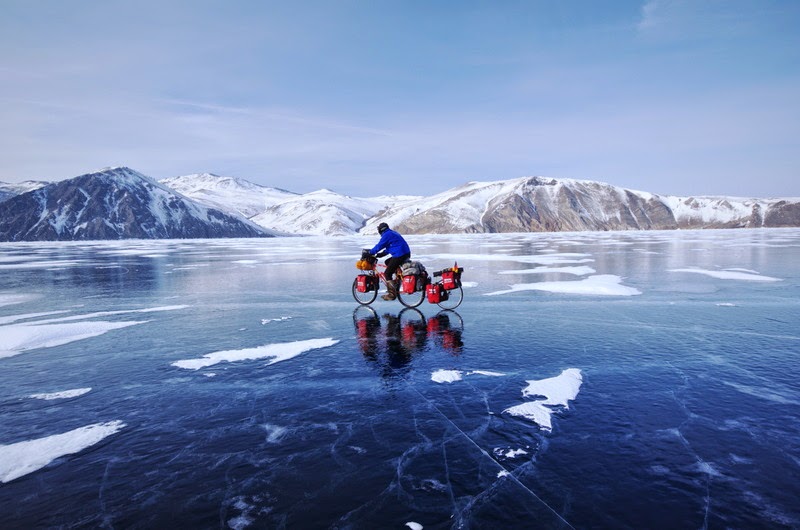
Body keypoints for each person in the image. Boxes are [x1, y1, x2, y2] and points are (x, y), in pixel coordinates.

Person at [369, 222, 411, 301]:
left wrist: (370, 252)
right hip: (405, 253)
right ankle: (397, 280)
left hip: (400, 255)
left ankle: (391, 294)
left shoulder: (386, 235)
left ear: (380, 230)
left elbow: (379, 246)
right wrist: (381, 254)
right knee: (388, 262)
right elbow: (391, 246)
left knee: (387, 273)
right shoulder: (392, 233)